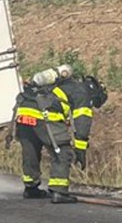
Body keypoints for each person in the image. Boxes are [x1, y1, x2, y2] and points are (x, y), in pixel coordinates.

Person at [10, 64, 104, 203]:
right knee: (62, 151)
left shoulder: (62, 83)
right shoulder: (82, 93)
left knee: (31, 150)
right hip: (45, 114)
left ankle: (31, 188)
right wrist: (80, 149)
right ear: (94, 93)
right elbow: (82, 124)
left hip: (24, 111)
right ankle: (59, 191)